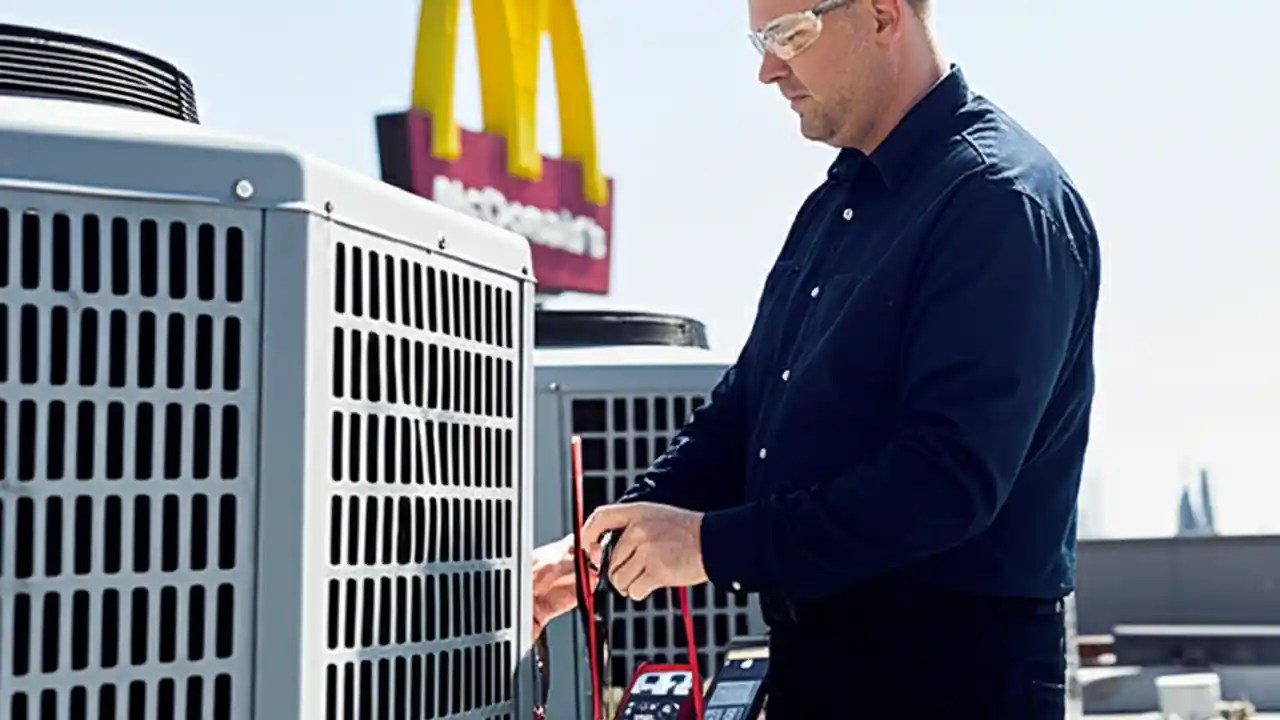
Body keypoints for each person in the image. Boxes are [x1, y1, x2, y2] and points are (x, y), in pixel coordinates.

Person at [533, 0, 1101, 716]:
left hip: (951, 683)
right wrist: (606, 545)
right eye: (759, 40)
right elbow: (744, 414)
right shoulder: (835, 207)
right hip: (824, 671)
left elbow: (944, 482)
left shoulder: (1001, 202)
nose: (768, 69)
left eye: (788, 34)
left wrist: (708, 544)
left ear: (883, 15)